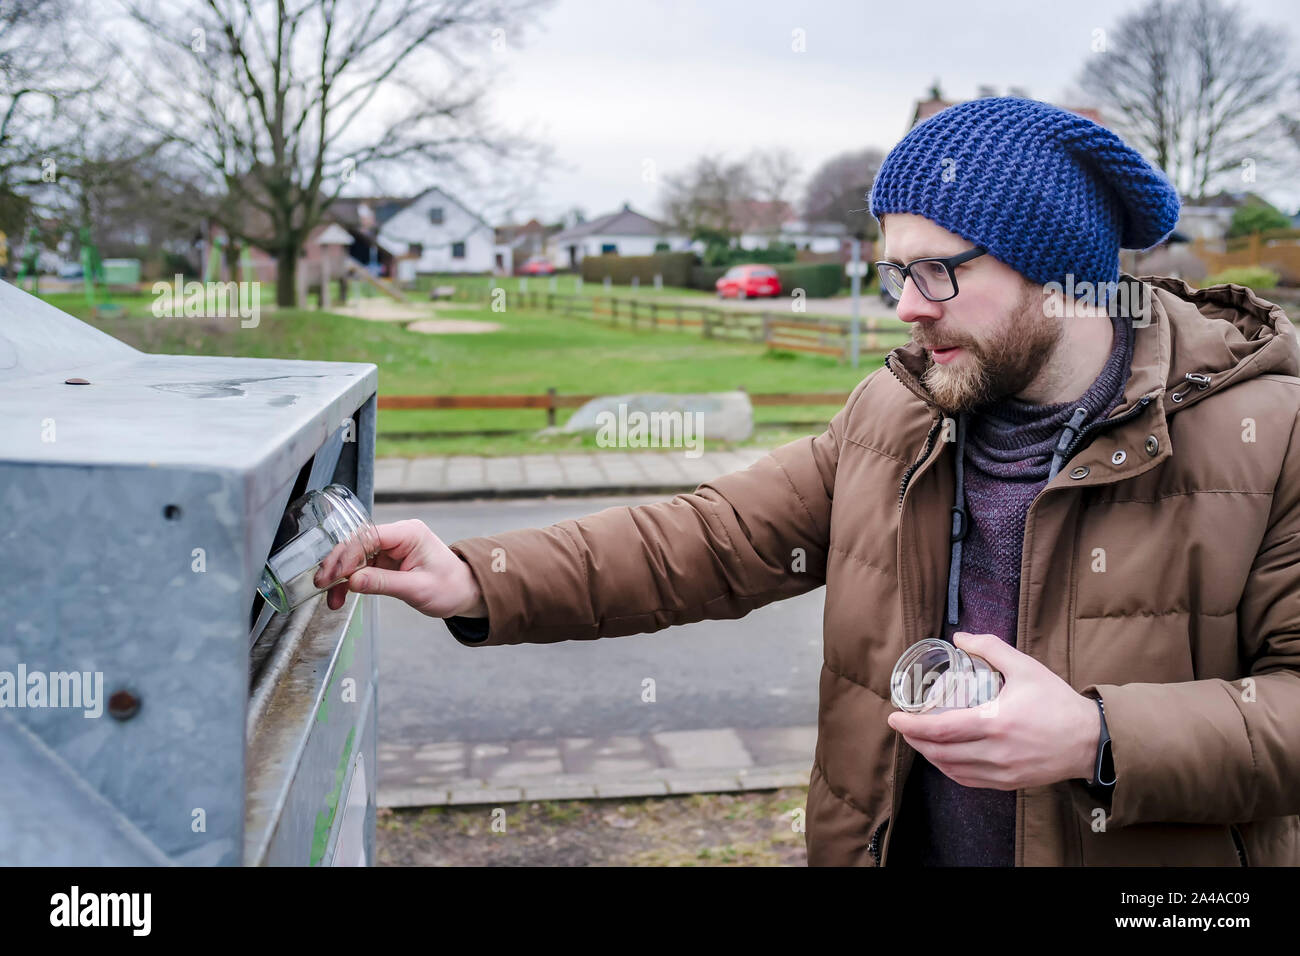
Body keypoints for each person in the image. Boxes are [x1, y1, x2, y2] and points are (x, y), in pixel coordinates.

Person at [320, 97, 1300, 866]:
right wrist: (477, 572)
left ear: (1056, 270)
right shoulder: (898, 413)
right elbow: (706, 537)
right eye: (893, 275)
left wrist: (1096, 736)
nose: (905, 309)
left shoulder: (1269, 435)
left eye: (937, 273)